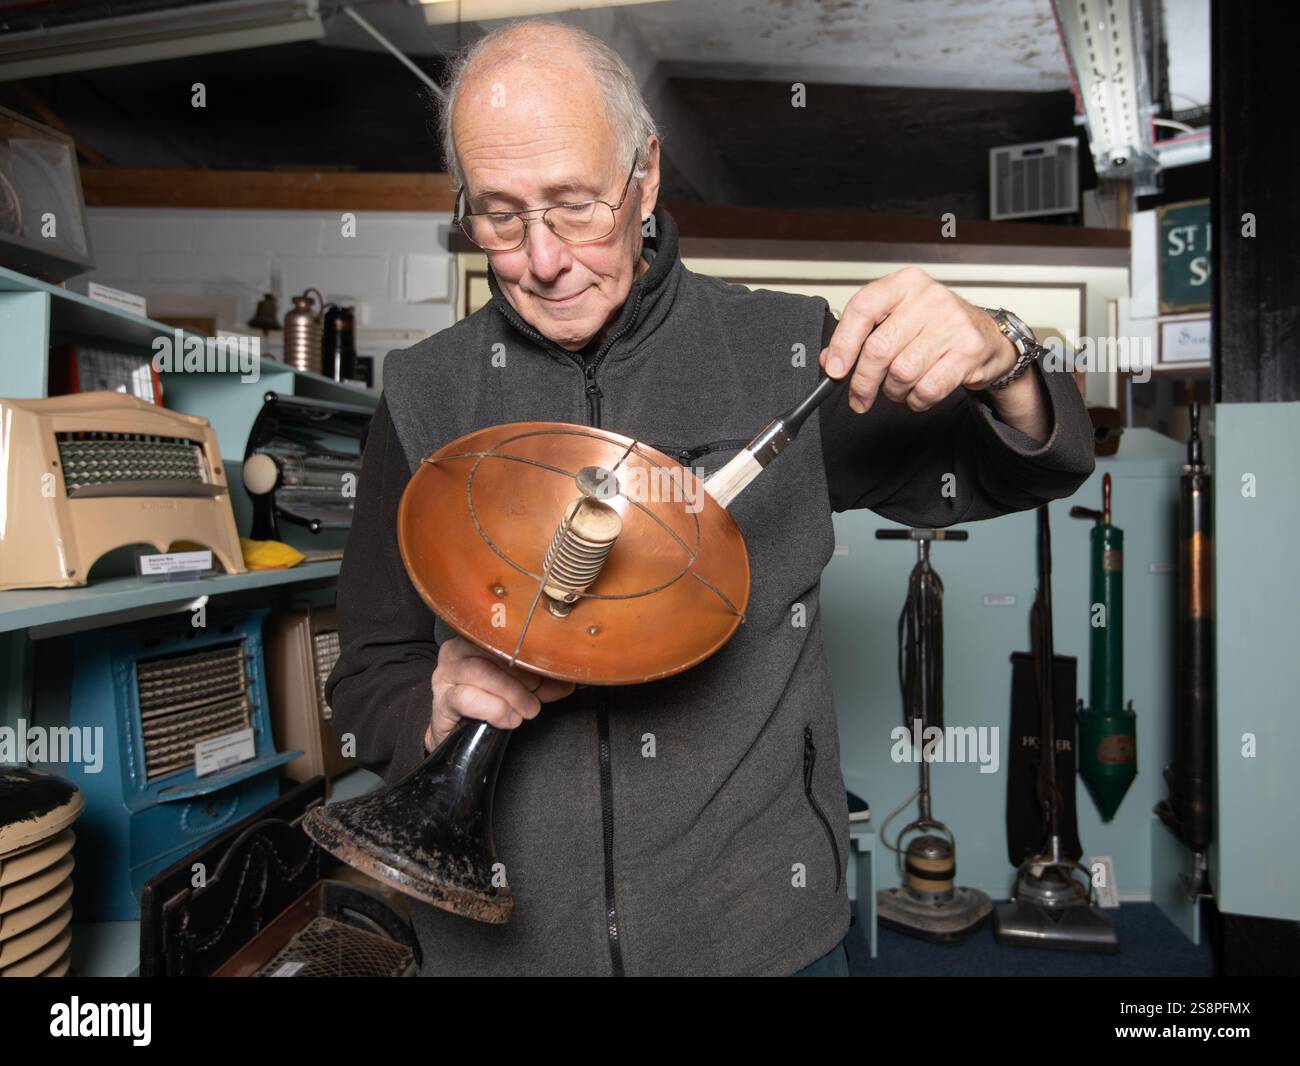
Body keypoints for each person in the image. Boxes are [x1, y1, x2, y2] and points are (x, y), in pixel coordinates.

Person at [326, 19, 1095, 976]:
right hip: (494, 950)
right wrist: (429, 708)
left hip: (763, 940)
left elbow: (1037, 464)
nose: (544, 258)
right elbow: (363, 684)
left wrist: (1004, 355)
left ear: (645, 176)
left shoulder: (787, 356)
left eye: (576, 206)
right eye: (501, 215)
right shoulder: (421, 391)